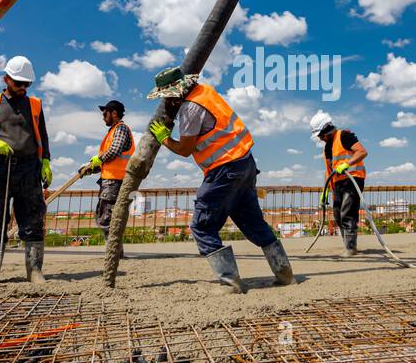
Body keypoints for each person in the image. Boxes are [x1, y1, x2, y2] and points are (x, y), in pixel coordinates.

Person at [145, 66, 296, 293]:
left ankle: (230, 283)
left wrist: (165, 139)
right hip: (245, 164)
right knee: (254, 223)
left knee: (202, 226)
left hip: (223, 170)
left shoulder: (190, 108)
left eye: (167, 96)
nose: (167, 100)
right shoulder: (205, 92)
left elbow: (185, 149)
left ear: (175, 92)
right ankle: (285, 275)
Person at [0, 55, 52, 283]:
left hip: (28, 170)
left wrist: (45, 161)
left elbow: (42, 136)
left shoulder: (35, 105)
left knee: (33, 221)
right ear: (6, 79)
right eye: (19, 83)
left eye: (27, 84)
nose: (23, 88)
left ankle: (34, 271)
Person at [309, 111, 369, 256]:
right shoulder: (326, 148)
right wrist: (325, 191)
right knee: (337, 214)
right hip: (337, 183)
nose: (320, 139)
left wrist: (346, 164)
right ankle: (348, 245)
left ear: (326, 131)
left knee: (347, 213)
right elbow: (328, 171)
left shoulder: (344, 136)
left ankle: (350, 248)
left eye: (321, 136)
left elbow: (361, 152)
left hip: (352, 179)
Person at [81, 99, 134, 232]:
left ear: (114, 113)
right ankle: (115, 252)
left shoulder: (121, 128)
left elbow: (114, 151)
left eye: (105, 114)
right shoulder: (113, 131)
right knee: (108, 219)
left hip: (115, 182)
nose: (103, 118)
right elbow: (110, 160)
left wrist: (98, 160)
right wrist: (92, 168)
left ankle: (113, 253)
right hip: (111, 181)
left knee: (108, 220)